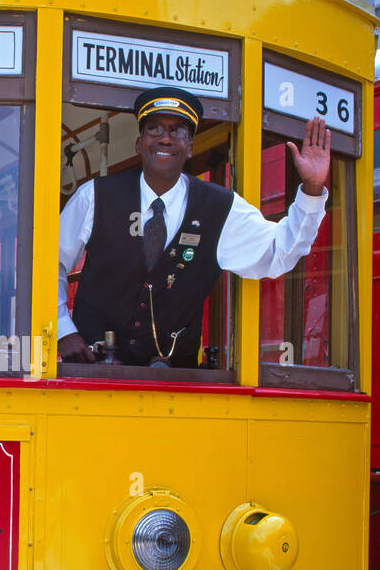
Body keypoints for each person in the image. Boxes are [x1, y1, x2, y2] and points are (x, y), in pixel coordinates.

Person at [57, 86, 331, 366]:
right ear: (139, 144)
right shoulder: (94, 196)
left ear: (190, 148)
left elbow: (279, 251)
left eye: (177, 131)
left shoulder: (220, 207)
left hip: (178, 385)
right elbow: (48, 262)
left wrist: (312, 187)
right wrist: (63, 330)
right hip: (92, 375)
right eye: (154, 129)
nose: (165, 138)